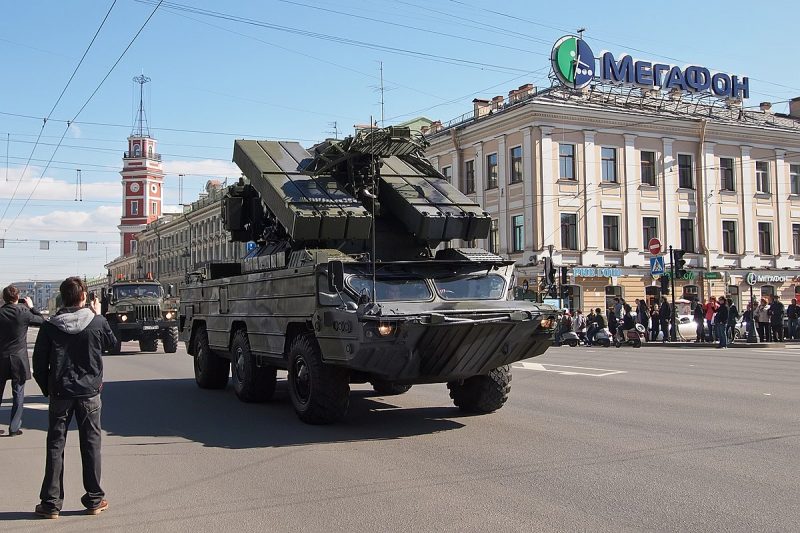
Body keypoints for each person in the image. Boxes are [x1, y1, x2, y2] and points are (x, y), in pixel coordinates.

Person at [32, 277, 117, 519]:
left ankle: (50, 503)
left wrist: (49, 388)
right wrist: (98, 313)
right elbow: (112, 344)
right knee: (91, 445)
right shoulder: (97, 321)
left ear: (63, 298)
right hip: (89, 393)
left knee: (55, 446)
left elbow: (39, 364)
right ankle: (94, 499)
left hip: (60, 393)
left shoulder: (50, 326)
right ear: (84, 297)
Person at [0, 285, 45, 436]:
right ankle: (13, 428)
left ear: (4, 297)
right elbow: (42, 322)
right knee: (18, 393)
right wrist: (32, 307)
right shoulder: (24, 312)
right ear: (17, 297)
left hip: (1, 358)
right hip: (18, 359)